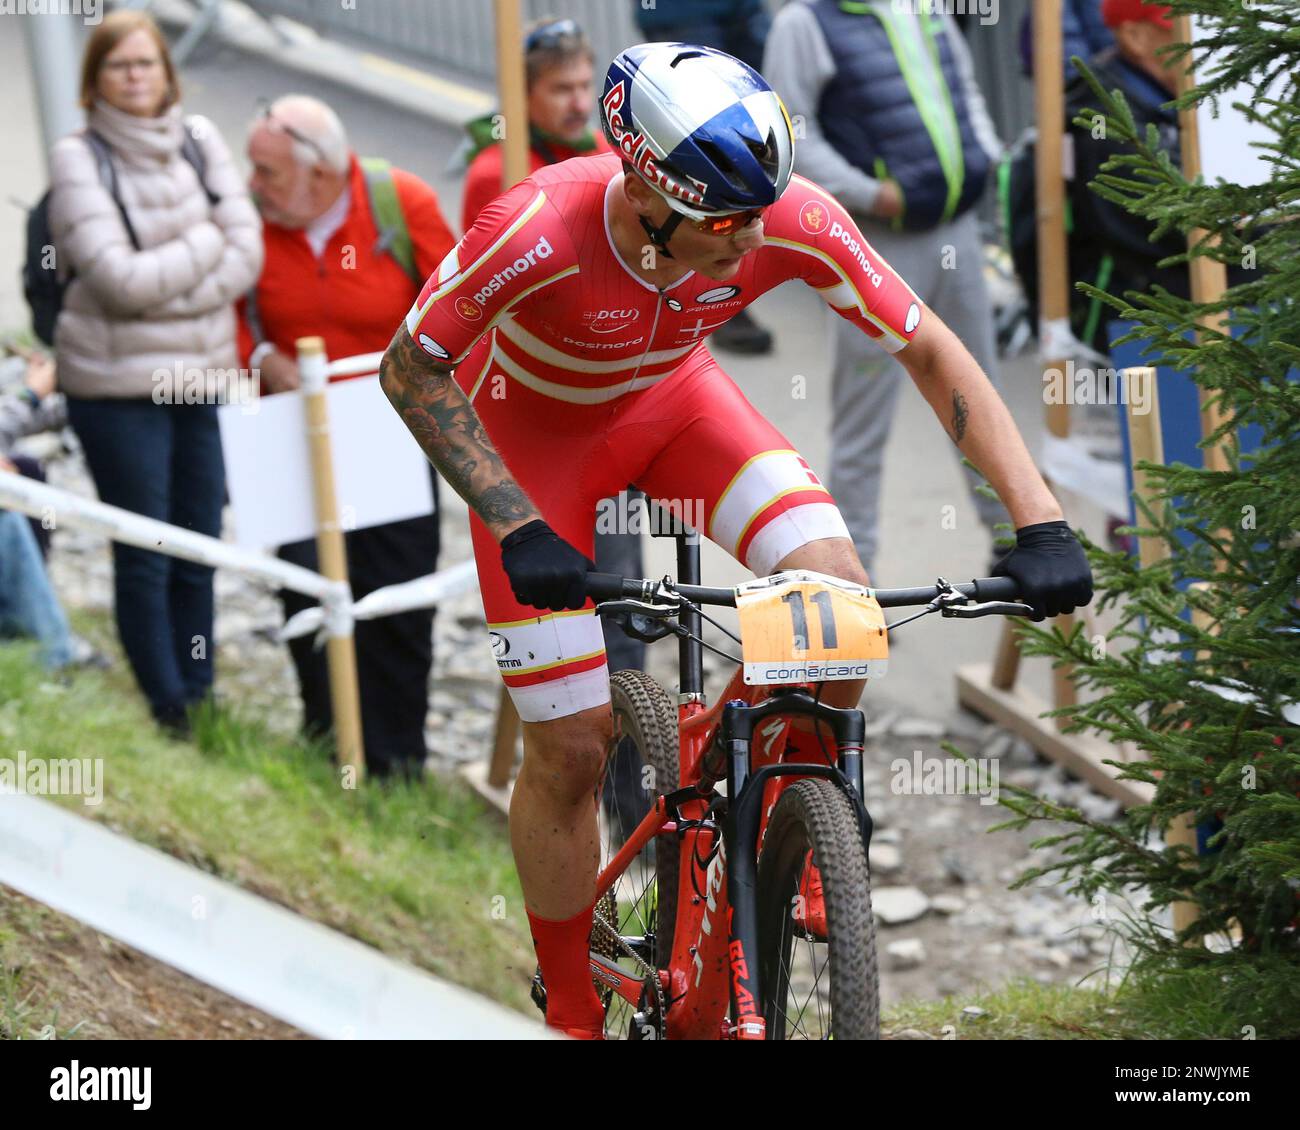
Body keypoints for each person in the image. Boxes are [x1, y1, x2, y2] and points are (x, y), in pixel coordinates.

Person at [379, 43, 1092, 1037]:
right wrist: (514, 519)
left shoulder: (781, 216)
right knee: (573, 748)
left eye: (762, 210)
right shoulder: (538, 223)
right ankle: (573, 1001)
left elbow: (927, 344)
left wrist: (1038, 516)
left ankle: (783, 825)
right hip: (533, 448)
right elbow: (411, 369)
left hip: (677, 409)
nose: (751, 238)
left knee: (837, 601)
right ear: (640, 185)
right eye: (724, 219)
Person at [48, 9, 262, 735]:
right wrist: (206, 245)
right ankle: (165, 706)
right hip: (115, 389)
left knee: (199, 540)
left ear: (168, 72)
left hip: (201, 377)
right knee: (147, 550)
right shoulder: (78, 156)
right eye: (119, 66)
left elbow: (248, 253)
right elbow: (118, 283)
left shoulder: (199, 140)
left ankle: (199, 696)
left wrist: (168, 277)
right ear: (95, 80)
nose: (136, 77)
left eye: (147, 63)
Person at [239, 95, 456, 780]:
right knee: (304, 589)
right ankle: (329, 744)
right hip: (290, 430)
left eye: (268, 172)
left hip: (387, 426)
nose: (252, 184)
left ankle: (398, 763)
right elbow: (220, 305)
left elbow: (460, 297)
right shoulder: (247, 219)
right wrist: (255, 358)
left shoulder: (400, 204)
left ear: (323, 176)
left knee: (394, 595)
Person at [764, 0, 1011, 584]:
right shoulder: (803, 23)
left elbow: (963, 90)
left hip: (957, 234)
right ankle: (855, 583)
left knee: (980, 395)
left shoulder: (925, 8)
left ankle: (1012, 543)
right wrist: (873, 196)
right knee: (863, 418)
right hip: (873, 244)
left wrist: (984, 155)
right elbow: (791, 133)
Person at [630, 0, 776, 357]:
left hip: (736, 11)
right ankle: (710, 301)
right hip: (686, 14)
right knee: (706, 156)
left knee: (750, 133)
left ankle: (718, 291)